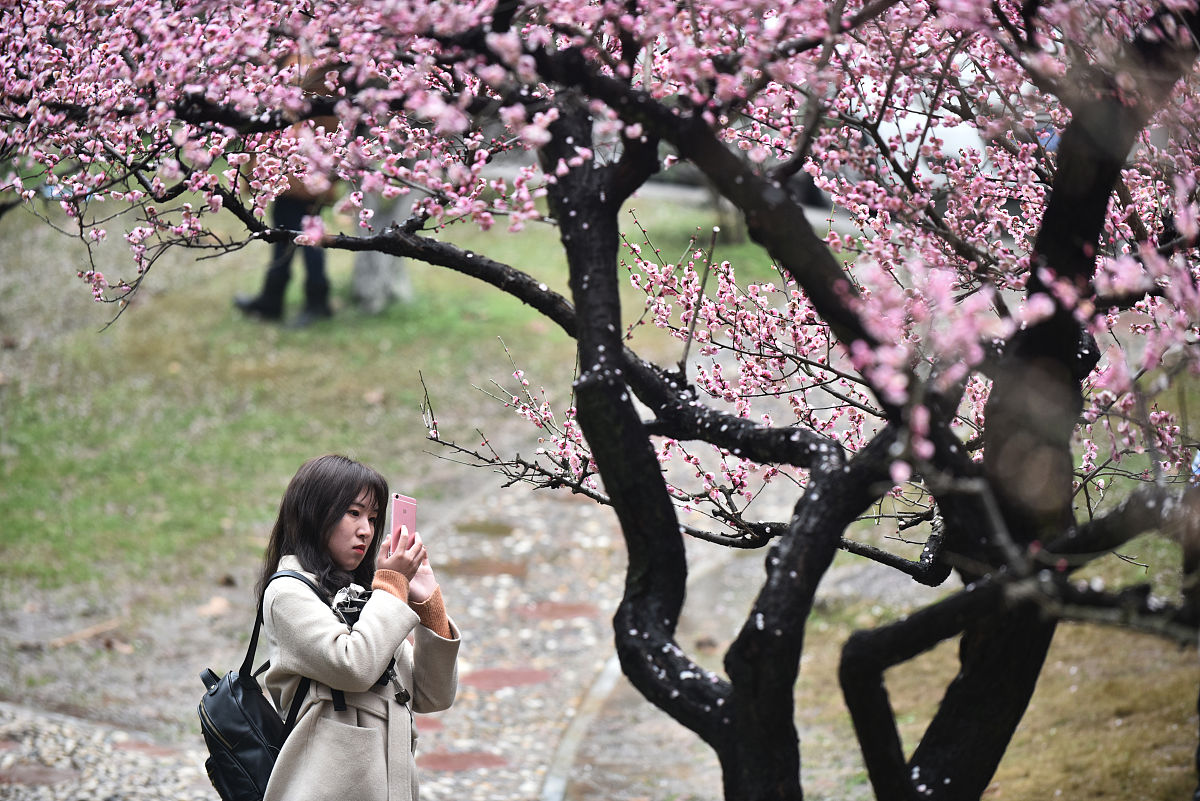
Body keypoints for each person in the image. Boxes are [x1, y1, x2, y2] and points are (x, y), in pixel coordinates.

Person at [255, 454, 459, 801]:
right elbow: (353, 665)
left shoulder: (368, 598)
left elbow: (432, 695)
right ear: (315, 513)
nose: (366, 529)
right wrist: (392, 586)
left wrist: (428, 605)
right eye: (353, 513)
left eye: (373, 517)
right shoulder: (287, 592)